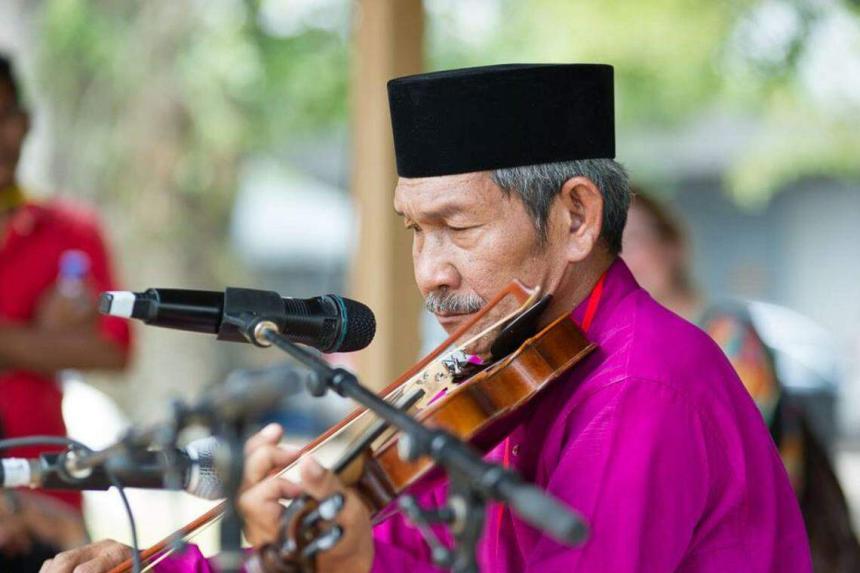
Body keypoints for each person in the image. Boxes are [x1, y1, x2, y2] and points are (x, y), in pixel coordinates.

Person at [42, 64, 812, 572]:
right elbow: (405, 540)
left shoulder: (643, 384)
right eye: (417, 230)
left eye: (460, 228)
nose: (429, 271)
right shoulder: (507, 369)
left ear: (576, 217)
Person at [622, 191, 860, 573]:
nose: (622, 257)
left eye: (634, 239)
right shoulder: (641, 346)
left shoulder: (726, 332)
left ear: (673, 246)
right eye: (610, 243)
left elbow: (737, 457)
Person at [0, 54, 132, 571]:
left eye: (5, 117)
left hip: (48, 498)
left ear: (26, 122)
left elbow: (113, 347)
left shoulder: (70, 231)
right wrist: (39, 338)